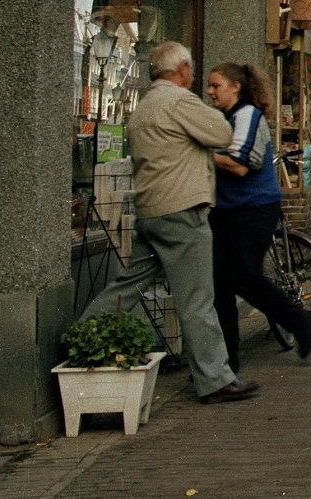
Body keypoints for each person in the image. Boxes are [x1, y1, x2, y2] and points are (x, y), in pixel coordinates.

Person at [76, 41, 257, 404]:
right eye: (191, 71)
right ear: (182, 70)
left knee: (127, 287)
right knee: (197, 299)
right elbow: (222, 135)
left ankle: (81, 335)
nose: (195, 80)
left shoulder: (142, 107)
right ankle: (215, 380)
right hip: (182, 209)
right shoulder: (178, 100)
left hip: (150, 211)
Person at [206, 62, 311, 368]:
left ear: (235, 87)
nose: (210, 90)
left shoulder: (247, 115)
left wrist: (198, 152)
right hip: (227, 210)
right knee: (221, 286)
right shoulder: (225, 117)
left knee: (245, 278)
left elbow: (241, 164)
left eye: (216, 85)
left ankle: (298, 319)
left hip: (253, 209)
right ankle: (227, 361)